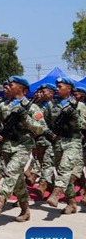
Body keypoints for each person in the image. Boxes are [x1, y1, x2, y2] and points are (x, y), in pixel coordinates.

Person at [0, 76, 48, 222]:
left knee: (11, 171)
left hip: (23, 146)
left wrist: (26, 118)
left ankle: (0, 200)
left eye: (12, 84)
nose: (9, 86)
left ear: (22, 89)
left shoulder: (32, 108)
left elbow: (41, 128)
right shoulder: (3, 105)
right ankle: (25, 210)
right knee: (18, 181)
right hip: (6, 146)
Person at [43, 76, 86, 214]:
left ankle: (56, 193)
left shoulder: (79, 105)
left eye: (60, 86)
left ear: (69, 88)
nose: (57, 89)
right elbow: (45, 123)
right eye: (57, 86)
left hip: (73, 141)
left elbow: (84, 124)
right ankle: (72, 203)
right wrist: (49, 133)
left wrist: (75, 118)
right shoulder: (51, 105)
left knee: (64, 168)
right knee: (63, 172)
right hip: (57, 142)